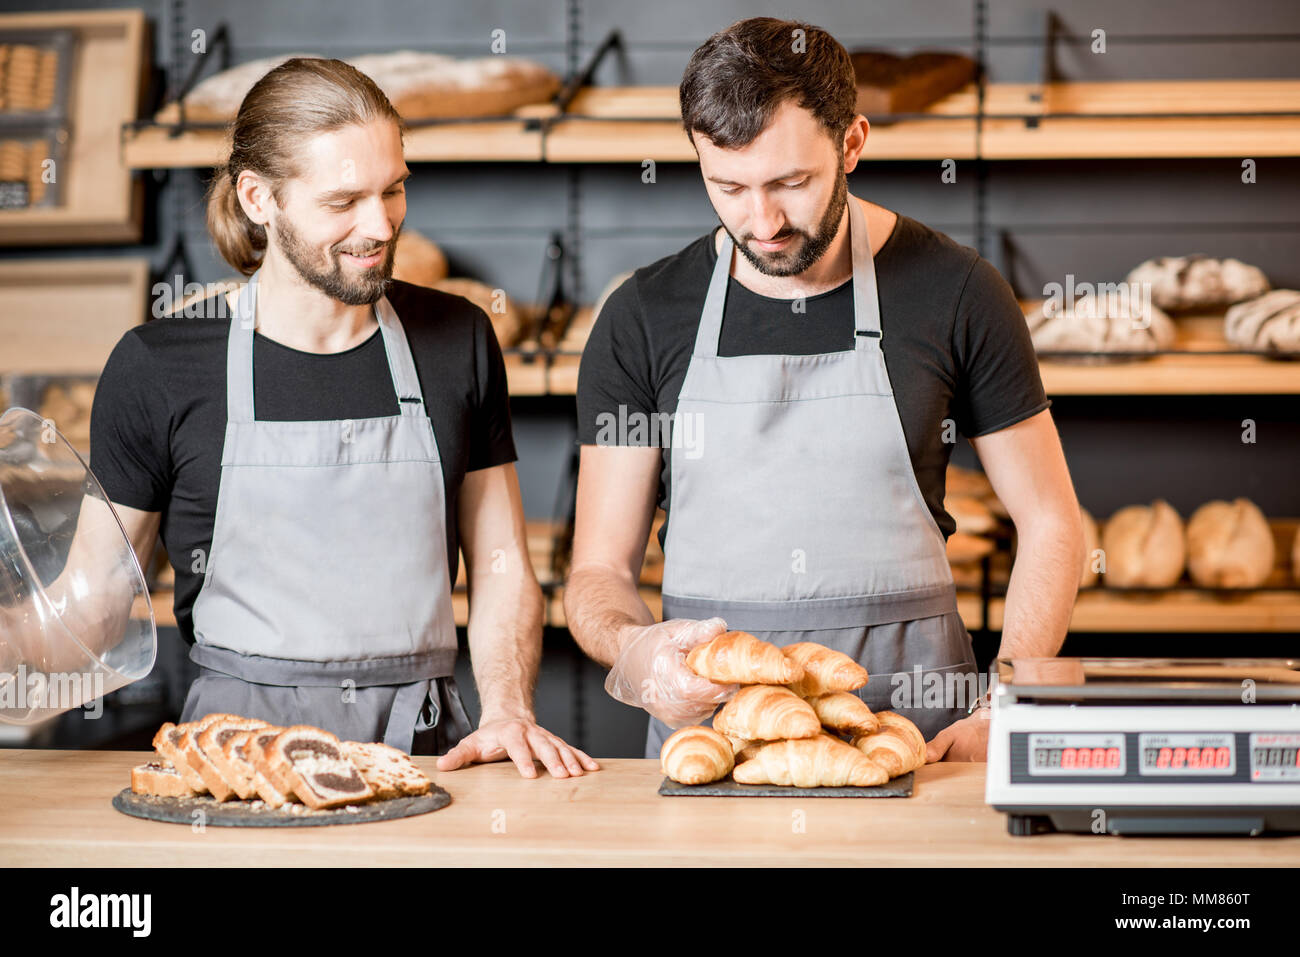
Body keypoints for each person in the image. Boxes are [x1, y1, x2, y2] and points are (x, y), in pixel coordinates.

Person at [564, 18, 1084, 761]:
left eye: (790, 183)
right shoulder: (643, 317)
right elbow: (597, 572)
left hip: (917, 737)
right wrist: (635, 650)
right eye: (729, 188)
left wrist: (1005, 701)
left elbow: (1052, 523)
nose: (763, 221)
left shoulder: (957, 292)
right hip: (716, 746)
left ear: (852, 143)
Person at [90, 57, 597, 778]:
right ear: (259, 198)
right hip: (237, 768)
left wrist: (508, 707)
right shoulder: (160, 365)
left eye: (393, 190)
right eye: (344, 201)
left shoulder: (456, 339)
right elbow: (94, 606)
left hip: (423, 757)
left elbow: (501, 561)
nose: (379, 224)